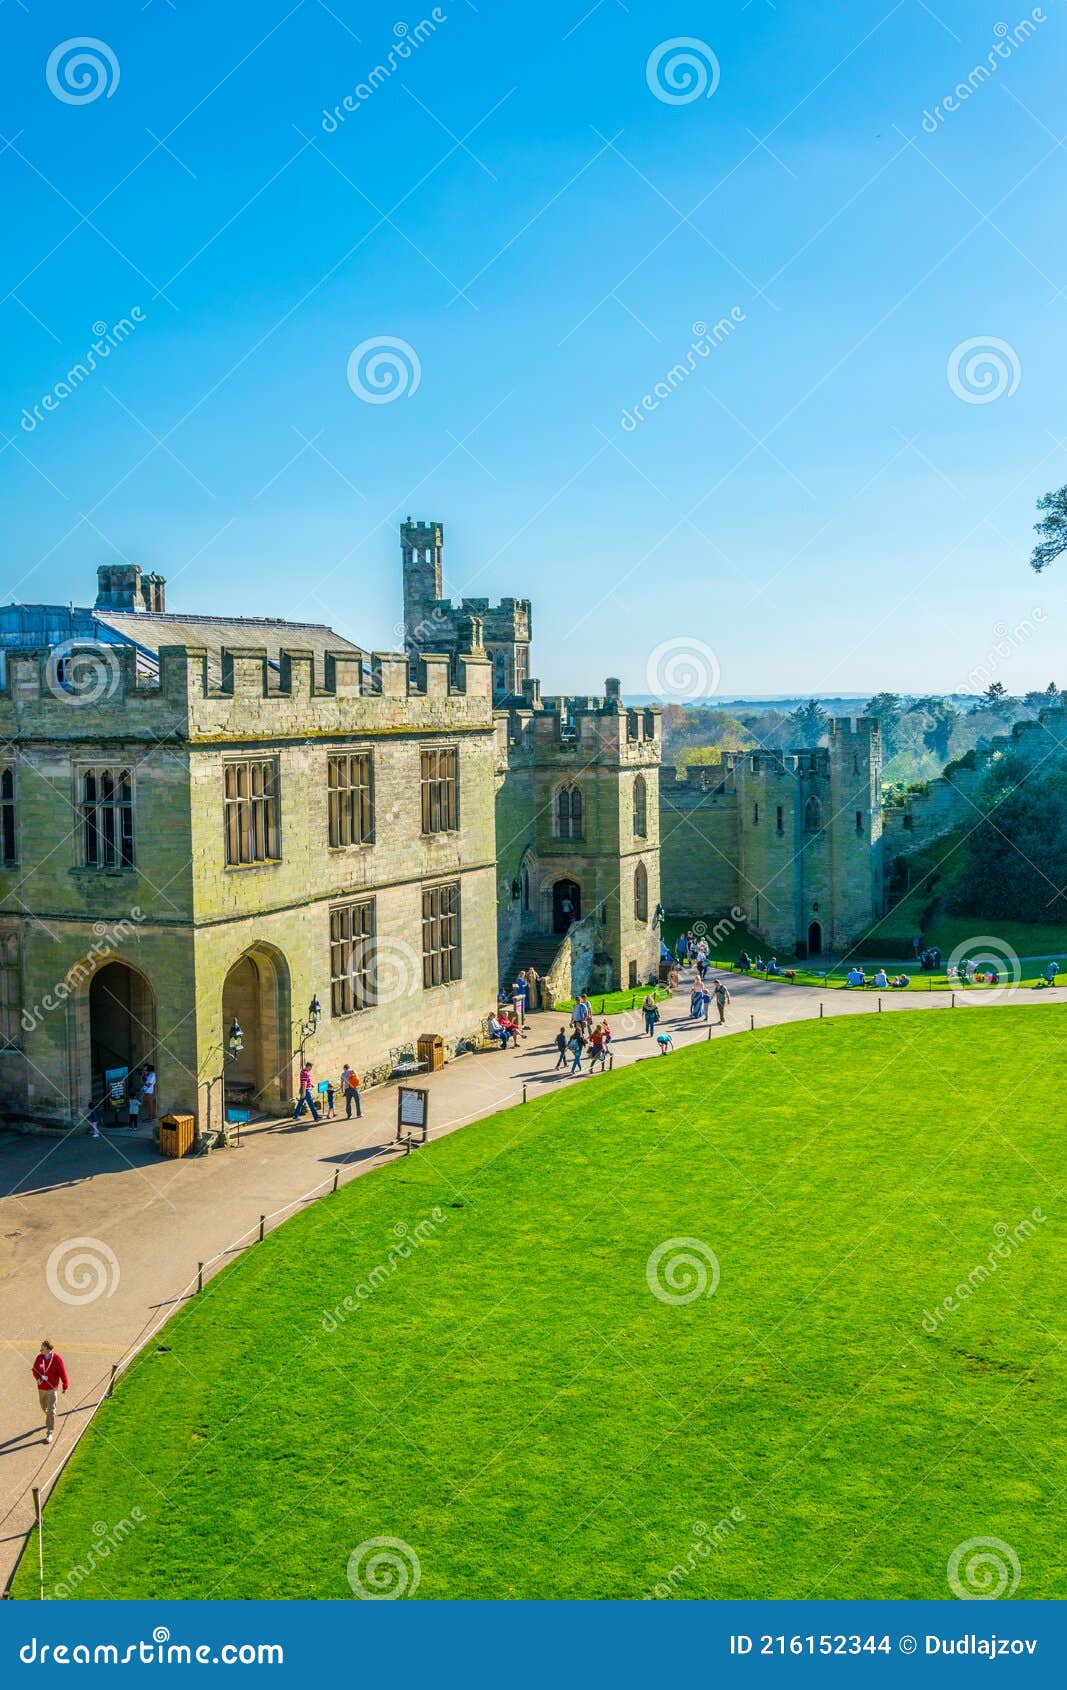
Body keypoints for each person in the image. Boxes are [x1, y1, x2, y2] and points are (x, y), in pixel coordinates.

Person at [31, 1340, 68, 1446]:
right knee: (44, 1407)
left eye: (42, 1348)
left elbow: (62, 1373)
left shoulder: (57, 1359)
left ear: (47, 1349)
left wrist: (65, 1385)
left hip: (52, 1389)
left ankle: (49, 1433)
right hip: (41, 1388)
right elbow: (34, 1370)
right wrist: (39, 1378)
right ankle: (50, 1419)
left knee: (51, 1410)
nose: (40, 1349)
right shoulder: (39, 1358)